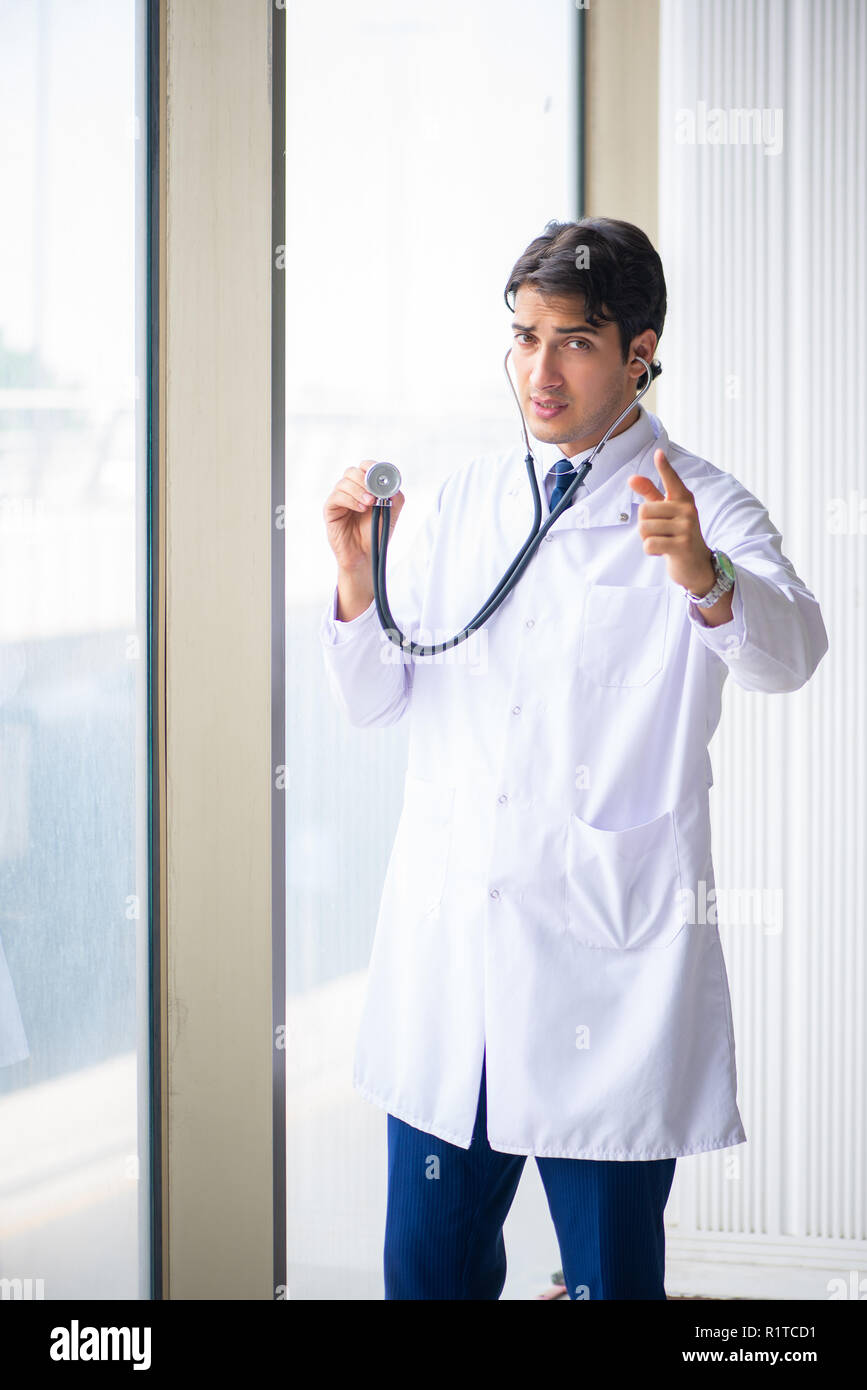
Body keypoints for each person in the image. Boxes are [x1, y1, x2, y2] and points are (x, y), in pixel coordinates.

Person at [318, 217, 828, 1300]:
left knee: (608, 1284)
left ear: (640, 349)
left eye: (574, 342)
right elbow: (376, 700)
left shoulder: (702, 500)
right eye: (523, 336)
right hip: (454, 977)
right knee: (428, 1280)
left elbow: (793, 653)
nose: (537, 371)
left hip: (606, 971)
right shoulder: (461, 502)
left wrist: (705, 573)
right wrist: (361, 583)